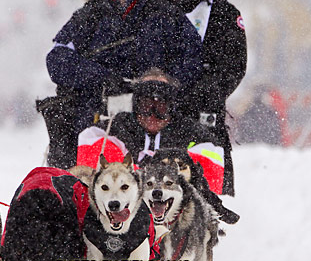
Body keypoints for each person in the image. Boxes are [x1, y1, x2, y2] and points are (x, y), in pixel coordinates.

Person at [42, 0, 202, 169]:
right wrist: (101, 78)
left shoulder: (164, 12)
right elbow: (57, 59)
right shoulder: (90, 15)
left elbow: (193, 55)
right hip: (97, 114)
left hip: (154, 114)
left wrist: (163, 83)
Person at [151, 0, 247, 197]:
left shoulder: (221, 10)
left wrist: (206, 90)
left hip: (201, 112)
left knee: (204, 195)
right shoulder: (146, 5)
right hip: (151, 111)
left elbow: (234, 64)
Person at [76, 68, 239, 222]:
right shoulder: (111, 131)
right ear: (136, 104)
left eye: (161, 107)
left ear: (171, 107)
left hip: (176, 222)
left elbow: (206, 186)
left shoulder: (196, 136)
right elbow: (99, 180)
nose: (152, 115)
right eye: (146, 106)